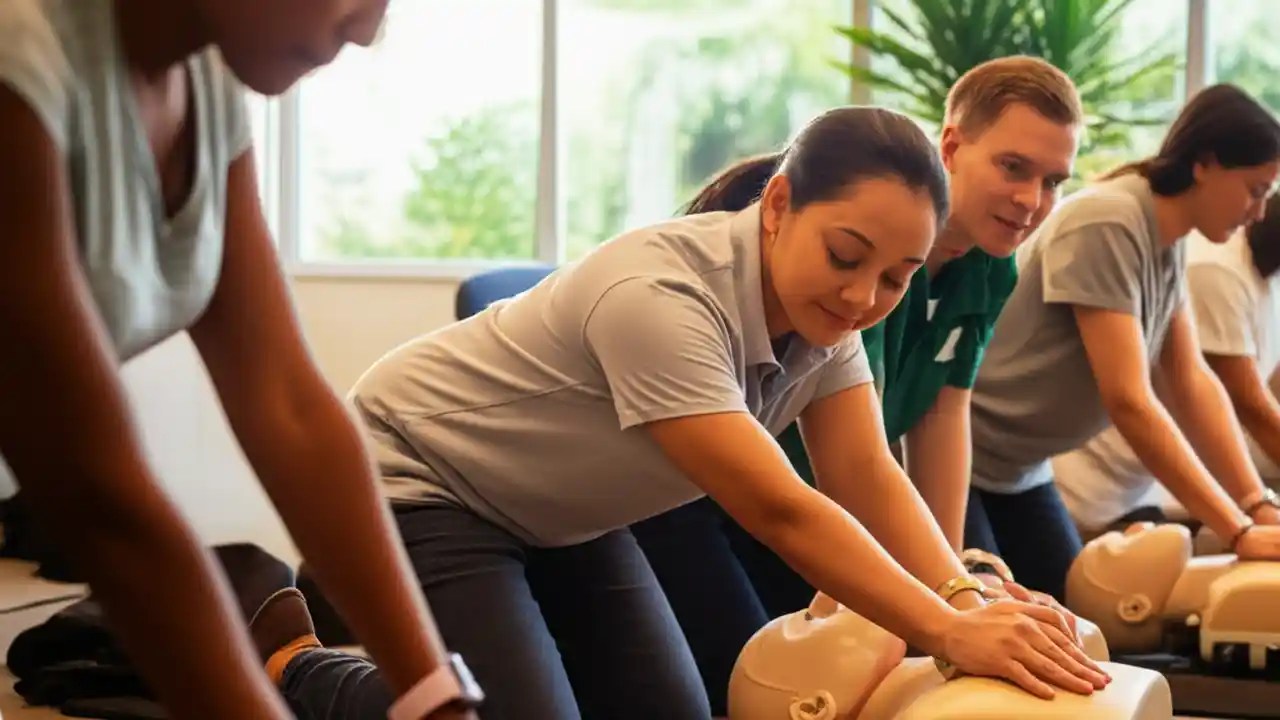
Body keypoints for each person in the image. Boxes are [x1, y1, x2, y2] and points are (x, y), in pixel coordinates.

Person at [249, 106, 1109, 720]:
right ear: (777, 207)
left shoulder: (832, 318)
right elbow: (780, 506)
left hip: (560, 513)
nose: (863, 295)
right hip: (423, 477)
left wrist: (961, 591)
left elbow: (865, 472)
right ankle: (298, 668)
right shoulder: (661, 295)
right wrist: (950, 632)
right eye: (847, 256)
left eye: (895, 276)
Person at [0, 1, 476, 719]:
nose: (365, 29)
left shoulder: (208, 89)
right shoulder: (20, 55)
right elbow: (100, 502)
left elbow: (287, 408)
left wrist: (436, 694)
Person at [630, 55, 1084, 713]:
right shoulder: (857, 275)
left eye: (1053, 181)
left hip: (821, 501)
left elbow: (939, 417)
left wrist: (957, 581)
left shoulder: (987, 268)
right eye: (1013, 168)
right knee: (776, 684)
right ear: (952, 145)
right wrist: (945, 612)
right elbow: (835, 468)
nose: (1029, 200)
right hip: (731, 493)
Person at [965, 83, 1280, 603]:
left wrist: (1256, 504)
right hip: (967, 455)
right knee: (990, 621)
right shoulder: (1111, 219)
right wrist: (1236, 529)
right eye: (1255, 189)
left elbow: (1189, 382)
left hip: (1020, 469)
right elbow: (1129, 400)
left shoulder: (1167, 238)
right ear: (1205, 164)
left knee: (1083, 624)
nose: (1259, 211)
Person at [1054, 192, 1280, 539]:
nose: (1258, 208)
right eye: (1253, 189)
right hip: (1084, 488)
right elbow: (1247, 401)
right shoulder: (1215, 270)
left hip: (1137, 488)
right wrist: (1253, 510)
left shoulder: (1261, 281)